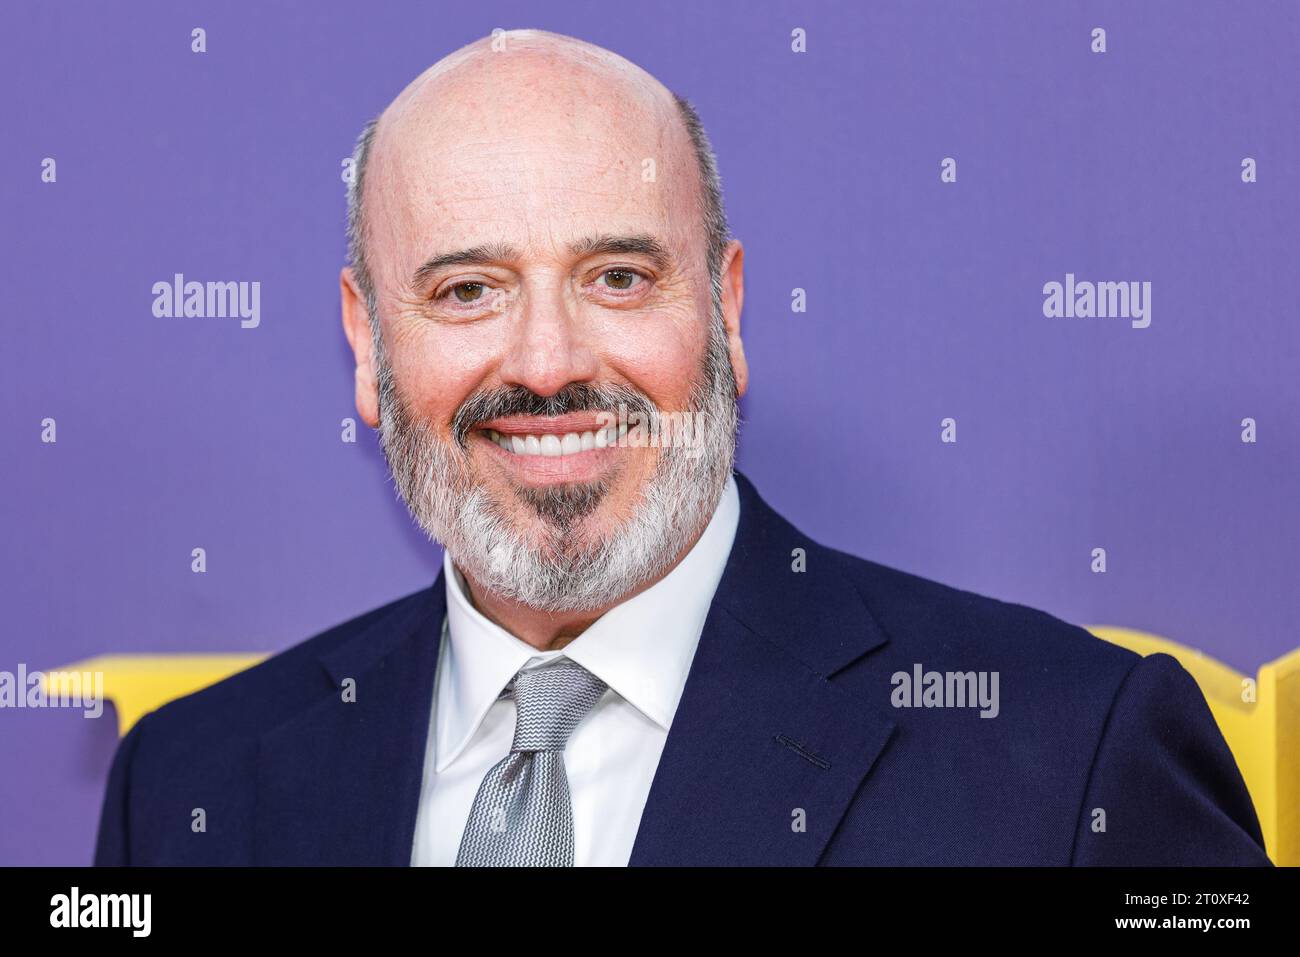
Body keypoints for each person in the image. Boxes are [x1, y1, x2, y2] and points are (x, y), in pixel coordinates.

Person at [94, 29, 1270, 867]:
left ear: (725, 308)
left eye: (617, 277)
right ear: (365, 340)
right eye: (465, 289)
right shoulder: (192, 784)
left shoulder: (1068, 756)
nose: (546, 362)